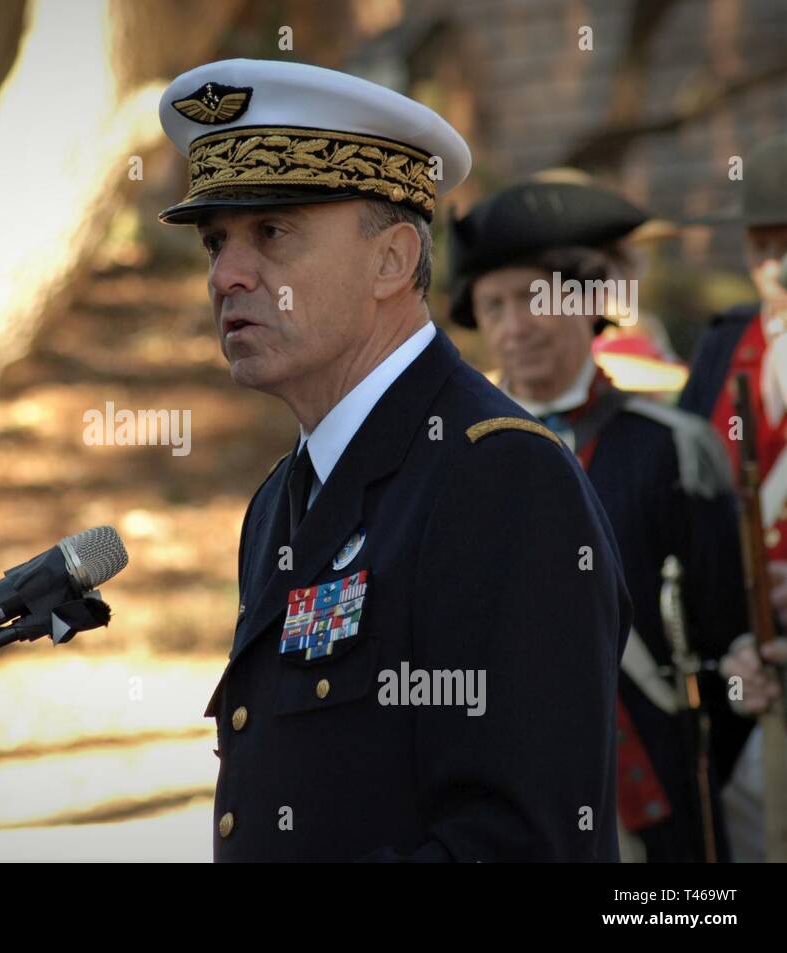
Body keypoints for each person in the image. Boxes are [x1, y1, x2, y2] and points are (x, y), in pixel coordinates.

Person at [157, 58, 630, 861]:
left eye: (271, 233)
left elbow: (520, 842)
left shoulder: (499, 478)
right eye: (216, 242)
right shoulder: (282, 498)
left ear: (391, 259)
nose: (226, 275)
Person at [449, 178, 747, 862]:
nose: (513, 326)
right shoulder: (458, 458)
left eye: (531, 297)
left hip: (658, 799)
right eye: (492, 305)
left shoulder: (671, 450)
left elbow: (726, 643)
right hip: (507, 803)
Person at [678, 132, 787, 861]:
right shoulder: (724, 343)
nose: (776, 266)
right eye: (762, 245)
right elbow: (684, 491)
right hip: (741, 663)